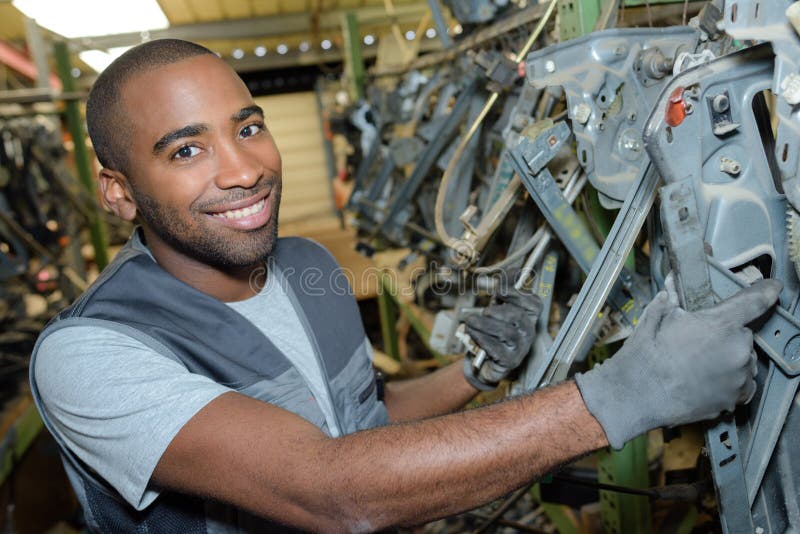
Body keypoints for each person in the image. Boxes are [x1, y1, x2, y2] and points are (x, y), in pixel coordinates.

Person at [30, 39, 781, 533]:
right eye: (187, 148)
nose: (243, 169)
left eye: (248, 127)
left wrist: (475, 371)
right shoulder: (92, 355)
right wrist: (623, 396)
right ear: (118, 192)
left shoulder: (307, 266)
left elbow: (359, 417)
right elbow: (330, 487)